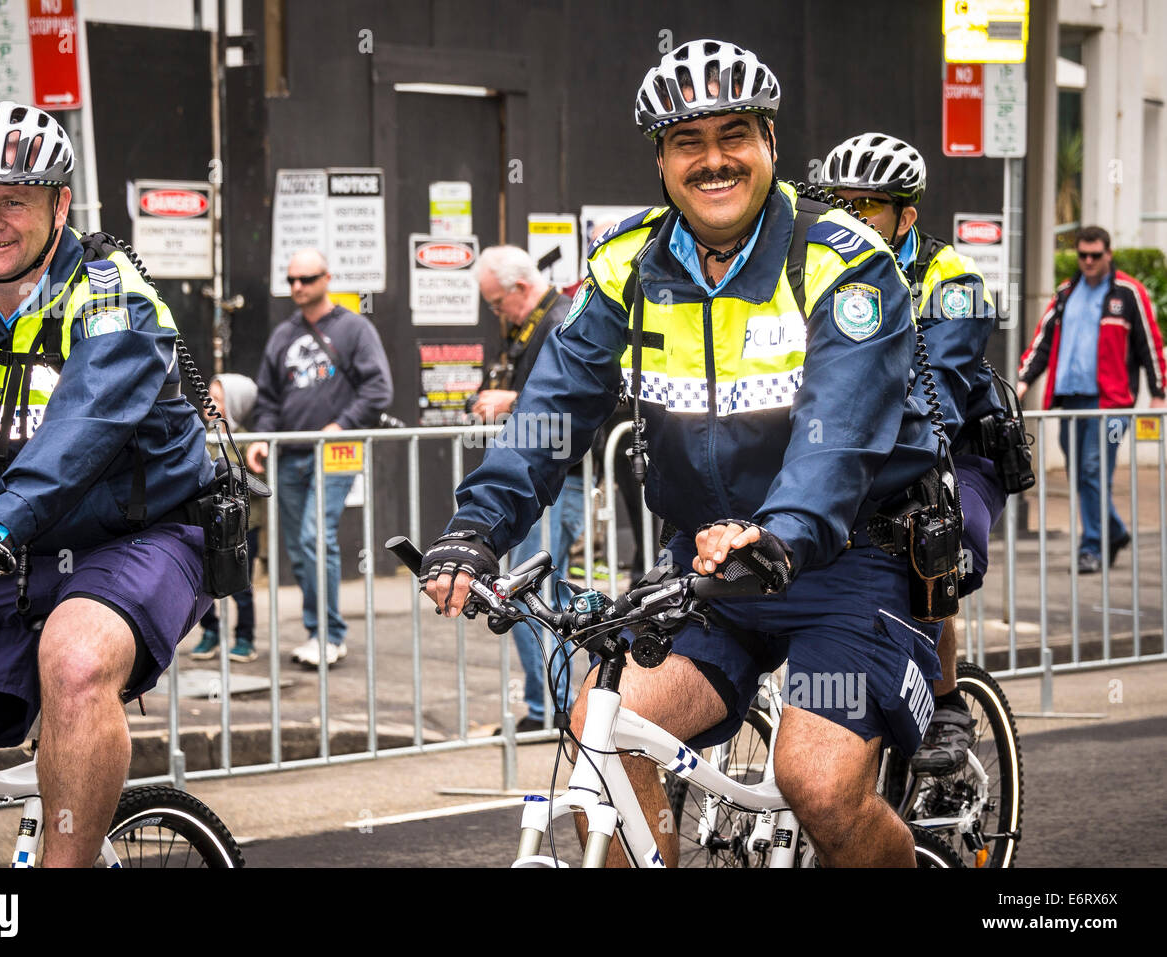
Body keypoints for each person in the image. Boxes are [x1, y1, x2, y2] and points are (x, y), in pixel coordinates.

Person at [420, 39, 946, 867]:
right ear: (661, 160)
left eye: (734, 134)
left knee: (816, 782)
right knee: (605, 728)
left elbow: (838, 430)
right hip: (703, 569)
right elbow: (556, 406)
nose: (714, 160)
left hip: (843, 561)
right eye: (686, 142)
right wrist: (477, 524)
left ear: (771, 145)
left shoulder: (841, 260)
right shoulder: (630, 263)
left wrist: (780, 532)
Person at [0, 101, 215, 866]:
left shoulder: (110, 294)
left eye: (14, 199)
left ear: (60, 203)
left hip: (138, 538)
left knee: (77, 660)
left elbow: (80, 431)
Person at [818, 131, 1007, 773]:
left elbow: (941, 397)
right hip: (870, 447)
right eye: (840, 202)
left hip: (961, 448)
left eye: (869, 204)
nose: (852, 216)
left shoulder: (953, 280)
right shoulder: (820, 268)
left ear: (908, 215)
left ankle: (949, 703)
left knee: (935, 547)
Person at [246, 249, 392, 668]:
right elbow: (269, 397)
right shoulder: (283, 334)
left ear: (327, 278)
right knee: (298, 546)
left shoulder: (354, 328)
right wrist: (262, 438)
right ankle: (317, 632)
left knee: (315, 536)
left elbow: (378, 389)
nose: (298, 287)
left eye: (306, 279)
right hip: (289, 452)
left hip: (337, 450)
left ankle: (330, 635)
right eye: (291, 280)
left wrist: (341, 424)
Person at [472, 245, 582, 733]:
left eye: (497, 304)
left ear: (520, 288)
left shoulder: (559, 316)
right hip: (545, 481)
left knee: (527, 595)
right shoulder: (537, 322)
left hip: (558, 482)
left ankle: (556, 708)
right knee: (534, 596)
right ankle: (550, 707)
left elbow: (583, 393)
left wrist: (511, 399)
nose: (497, 315)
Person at [1018, 225, 1166, 574]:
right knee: (1080, 474)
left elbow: (1150, 345)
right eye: (1082, 255)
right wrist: (1024, 380)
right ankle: (1114, 532)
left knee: (1092, 470)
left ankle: (1093, 547)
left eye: (1095, 255)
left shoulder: (1128, 293)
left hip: (1112, 406)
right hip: (1071, 403)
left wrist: (1159, 393)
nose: (1087, 261)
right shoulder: (1066, 293)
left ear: (1108, 254)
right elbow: (1043, 342)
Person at [188, 374, 263, 663]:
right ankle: (210, 632)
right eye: (208, 396)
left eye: (218, 400)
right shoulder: (200, 436)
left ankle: (245, 637)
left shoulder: (245, 440)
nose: (209, 403)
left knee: (241, 583)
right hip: (209, 524)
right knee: (205, 580)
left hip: (244, 526)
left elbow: (259, 481)